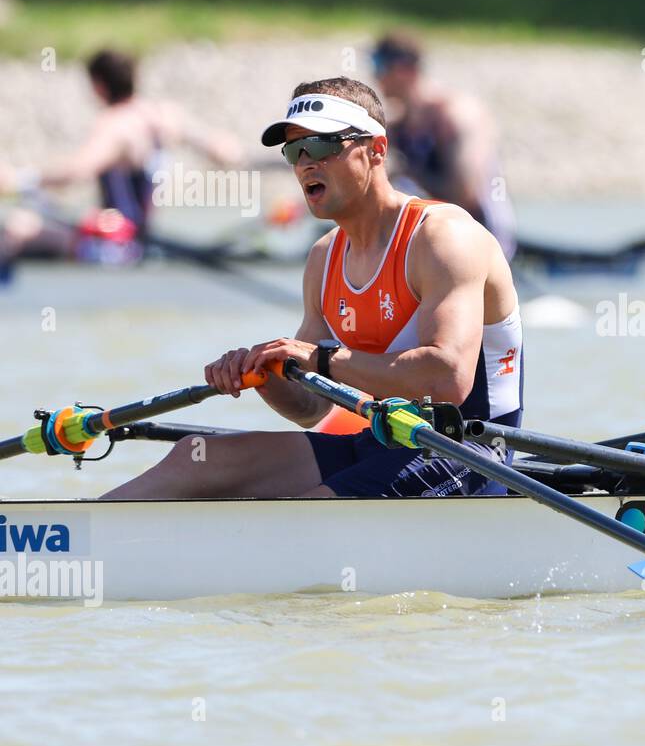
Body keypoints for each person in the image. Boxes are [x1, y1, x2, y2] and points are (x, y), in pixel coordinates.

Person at [104, 77, 524, 500]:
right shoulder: (325, 258)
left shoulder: (444, 238)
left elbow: (446, 379)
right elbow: (311, 408)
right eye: (293, 150)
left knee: (312, 510)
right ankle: (79, 536)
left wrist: (320, 359)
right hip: (380, 445)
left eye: (322, 146)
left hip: (468, 455)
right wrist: (265, 373)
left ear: (376, 150)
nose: (305, 163)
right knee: (196, 459)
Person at [0, 49, 241, 278]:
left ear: (99, 86)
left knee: (19, 226)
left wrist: (20, 179)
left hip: (113, 247)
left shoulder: (115, 126)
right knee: (47, 211)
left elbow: (78, 170)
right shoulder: (165, 116)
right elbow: (225, 150)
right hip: (142, 240)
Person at [371, 31, 517, 258]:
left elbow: (465, 192)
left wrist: (406, 172)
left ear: (406, 70)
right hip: (433, 234)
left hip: (482, 236)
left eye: (378, 65)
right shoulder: (399, 124)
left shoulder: (457, 116)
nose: (374, 76)